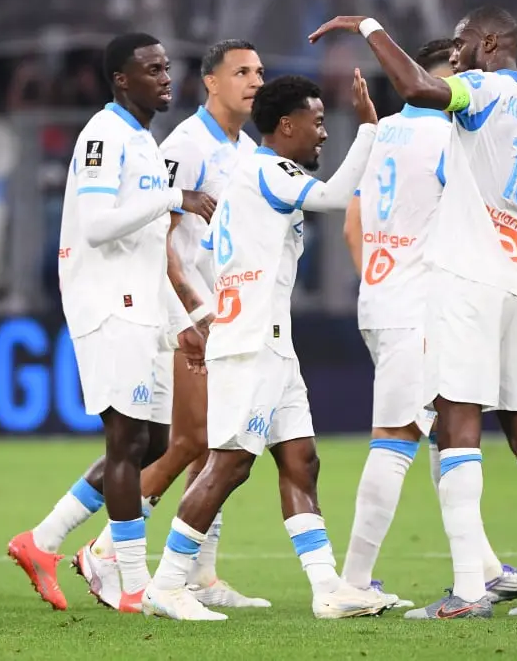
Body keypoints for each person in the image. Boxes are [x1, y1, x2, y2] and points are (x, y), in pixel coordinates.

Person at [309, 6, 517, 619]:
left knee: (454, 428)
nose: (456, 57)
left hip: (454, 285)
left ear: (488, 41)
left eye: (461, 45)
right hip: (516, 282)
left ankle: (467, 591)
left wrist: (369, 27)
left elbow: (415, 87)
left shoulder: (472, 95)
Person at [142, 73, 386, 621]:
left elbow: (218, 252)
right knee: (229, 465)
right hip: (252, 343)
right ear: (287, 125)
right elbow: (334, 197)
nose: (324, 133)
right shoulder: (271, 170)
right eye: (317, 122)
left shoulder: (248, 176)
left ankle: (327, 588)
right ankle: (167, 584)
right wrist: (368, 129)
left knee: (301, 459)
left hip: (271, 341)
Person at [7, 32, 216, 614]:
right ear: (122, 80)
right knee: (126, 440)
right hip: (106, 303)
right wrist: (172, 198)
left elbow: (147, 246)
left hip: (142, 305)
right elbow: (98, 226)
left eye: (167, 68)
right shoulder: (102, 135)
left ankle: (42, 541)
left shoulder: (142, 141)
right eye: (152, 69)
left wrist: (182, 320)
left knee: (151, 444)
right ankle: (132, 584)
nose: (166, 78)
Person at [339, 37, 517, 610]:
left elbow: (353, 225)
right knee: (398, 436)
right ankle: (353, 582)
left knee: (444, 432)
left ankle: (485, 569)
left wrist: (383, 283)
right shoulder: (451, 136)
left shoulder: (383, 133)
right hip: (422, 306)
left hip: (381, 297)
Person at [79, 38, 271, 611]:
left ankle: (197, 574)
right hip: (177, 310)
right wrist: (189, 308)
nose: (256, 82)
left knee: (208, 443)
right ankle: (110, 555)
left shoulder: (243, 148)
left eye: (260, 72)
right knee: (187, 441)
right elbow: (155, 231)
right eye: (242, 72)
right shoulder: (183, 144)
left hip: (223, 312)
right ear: (212, 82)